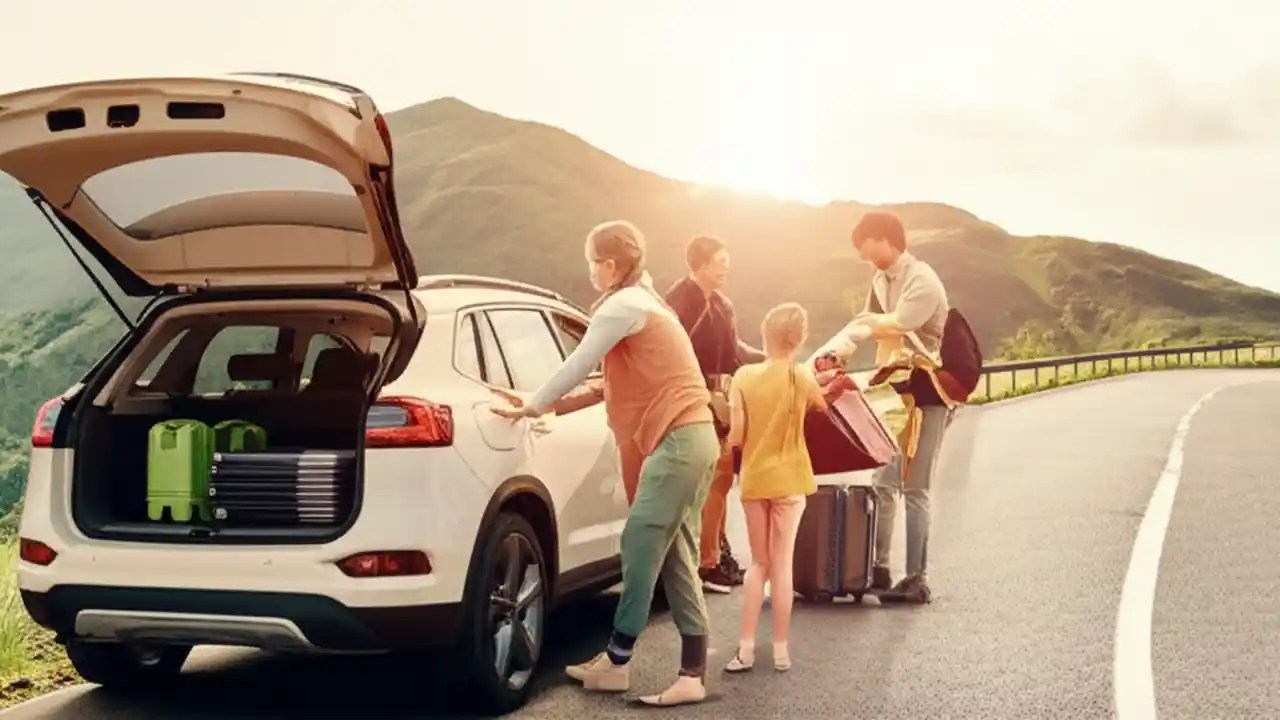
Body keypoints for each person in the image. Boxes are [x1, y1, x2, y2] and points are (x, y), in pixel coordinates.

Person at [492, 220, 719, 707]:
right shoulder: (644, 302)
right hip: (692, 438)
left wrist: (534, 403)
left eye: (593, 261)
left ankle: (617, 658)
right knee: (676, 554)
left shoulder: (623, 306)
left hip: (679, 439)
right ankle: (691, 673)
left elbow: (578, 362)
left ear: (610, 265)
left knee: (640, 538)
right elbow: (603, 385)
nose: (591, 270)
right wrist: (543, 403)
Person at [809, 211, 951, 604]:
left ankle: (917, 577)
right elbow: (866, 320)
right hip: (892, 387)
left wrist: (859, 330)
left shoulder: (922, 278)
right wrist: (837, 349)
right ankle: (880, 570)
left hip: (927, 391)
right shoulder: (879, 279)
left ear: (885, 239)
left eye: (867, 248)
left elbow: (900, 322)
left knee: (916, 486)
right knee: (883, 481)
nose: (864, 257)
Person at [722, 303, 851, 673]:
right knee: (782, 565)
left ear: (764, 335)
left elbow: (737, 436)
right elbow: (824, 410)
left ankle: (745, 650)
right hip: (792, 480)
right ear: (800, 340)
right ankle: (780, 651)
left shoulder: (743, 377)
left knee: (757, 564)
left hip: (755, 479)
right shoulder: (802, 378)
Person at [664, 235, 765, 594]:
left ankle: (715, 553)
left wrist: (770, 358)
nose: (725, 268)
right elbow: (670, 350)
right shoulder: (678, 302)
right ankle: (706, 560)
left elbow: (735, 349)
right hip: (691, 394)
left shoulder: (723, 304)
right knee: (716, 474)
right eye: (720, 262)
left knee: (721, 477)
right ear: (701, 264)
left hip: (721, 395)